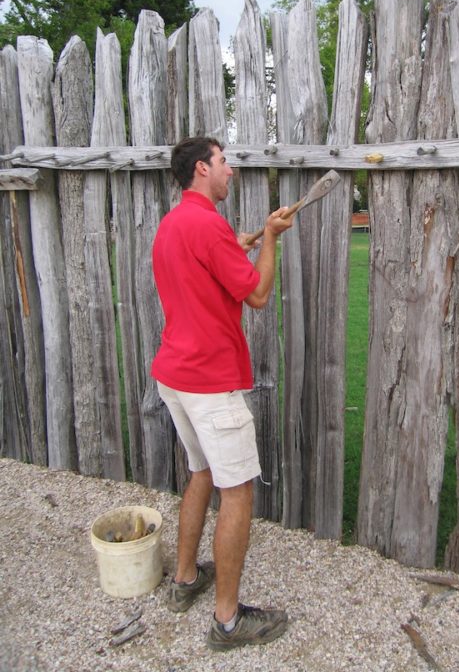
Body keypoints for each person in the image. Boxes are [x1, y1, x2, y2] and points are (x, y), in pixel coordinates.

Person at [151, 136, 295, 651]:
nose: (230, 170)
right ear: (200, 170)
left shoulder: (173, 225)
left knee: (201, 473)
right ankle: (229, 622)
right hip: (209, 384)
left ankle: (186, 580)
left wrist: (240, 244)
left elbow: (205, 265)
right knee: (237, 491)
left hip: (173, 377)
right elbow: (256, 295)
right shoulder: (208, 225)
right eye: (224, 162)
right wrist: (273, 238)